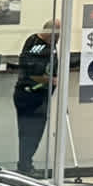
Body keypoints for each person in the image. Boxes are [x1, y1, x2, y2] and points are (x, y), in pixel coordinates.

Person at [13, 19, 58, 176]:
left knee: (34, 133)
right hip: (29, 96)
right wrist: (50, 80)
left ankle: (26, 164)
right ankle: (25, 167)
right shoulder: (35, 45)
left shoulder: (50, 45)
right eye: (57, 35)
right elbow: (30, 73)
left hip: (40, 97)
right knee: (29, 133)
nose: (59, 39)